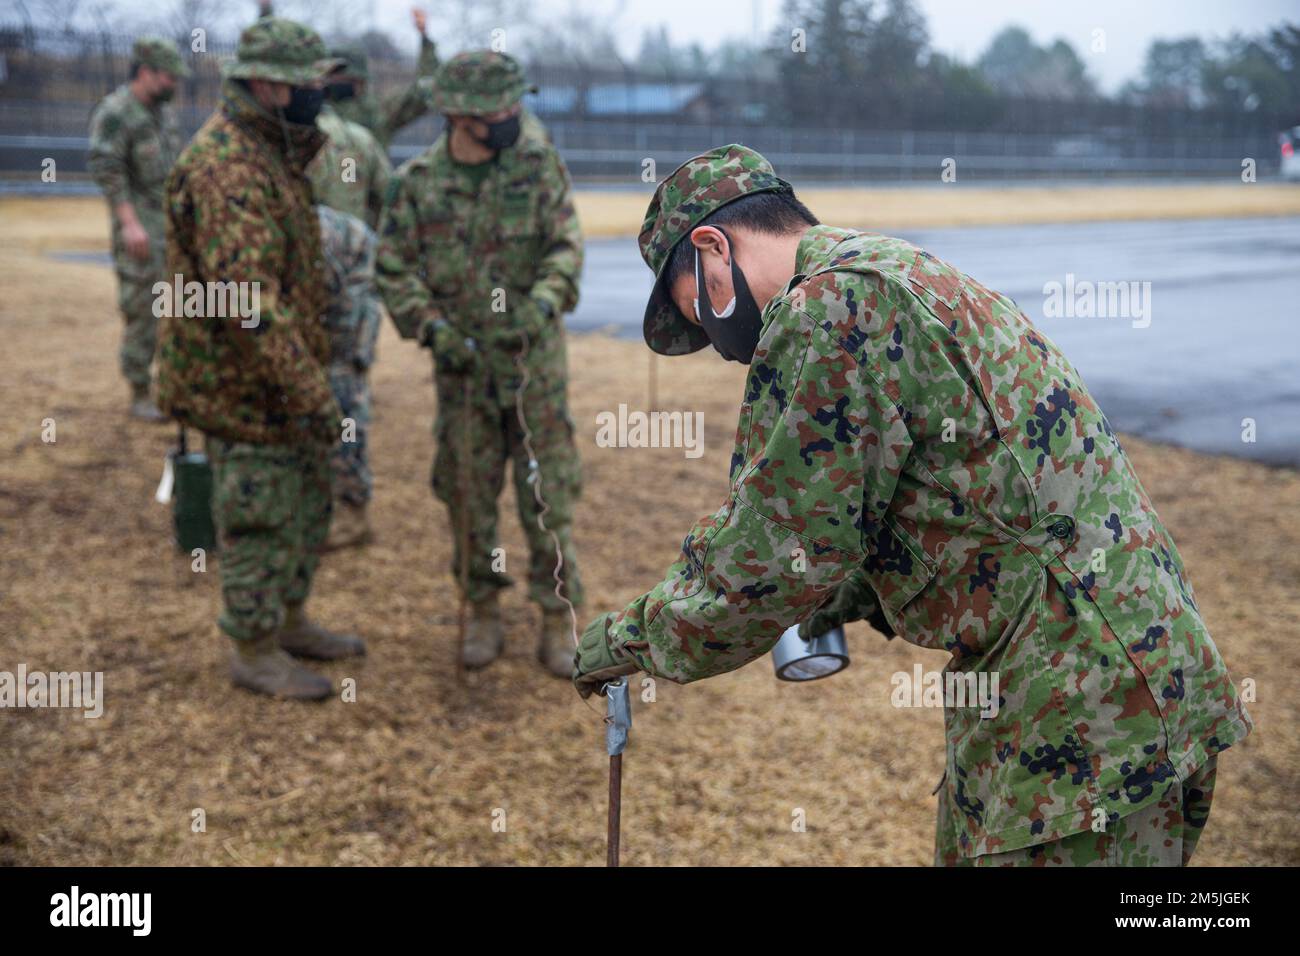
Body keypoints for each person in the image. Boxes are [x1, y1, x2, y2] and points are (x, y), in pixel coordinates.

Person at [572, 145, 1253, 866]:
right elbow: (951, 499)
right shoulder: (902, 272)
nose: (717, 340)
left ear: (712, 246)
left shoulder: (826, 310)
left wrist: (622, 641)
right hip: (1123, 674)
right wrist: (840, 597)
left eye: (698, 311)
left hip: (1079, 712)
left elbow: (766, 562)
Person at [156, 16, 364, 700]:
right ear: (272, 86)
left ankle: (289, 617)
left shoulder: (270, 149)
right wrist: (312, 389)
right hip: (240, 385)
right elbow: (249, 303)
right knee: (257, 513)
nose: (320, 95)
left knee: (306, 500)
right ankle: (252, 647)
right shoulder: (227, 167)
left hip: (281, 377)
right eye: (310, 83)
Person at [376, 51, 584, 678]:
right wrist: (431, 328)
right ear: (459, 117)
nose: (513, 116)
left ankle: (557, 616)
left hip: (533, 371)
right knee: (468, 500)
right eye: (500, 108)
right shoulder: (415, 185)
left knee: (547, 499)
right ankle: (483, 608)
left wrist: (544, 301)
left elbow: (565, 248)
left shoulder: (537, 166)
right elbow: (392, 268)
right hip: (463, 375)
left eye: (515, 103)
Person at [87, 37, 188, 421]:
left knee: (177, 306)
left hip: (169, 227)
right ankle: (140, 391)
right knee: (143, 309)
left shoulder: (164, 113)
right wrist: (129, 223)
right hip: (140, 229)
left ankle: (173, 384)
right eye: (169, 76)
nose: (174, 84)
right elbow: (107, 170)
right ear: (146, 72)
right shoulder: (116, 113)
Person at [316, 204, 383, 550]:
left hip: (347, 312)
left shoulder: (333, 235)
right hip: (328, 303)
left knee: (345, 406)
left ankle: (352, 513)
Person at [325, 7, 440, 150]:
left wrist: (425, 42)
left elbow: (424, 90)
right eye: (334, 77)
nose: (338, 82)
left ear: (361, 82)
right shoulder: (313, 110)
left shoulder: (379, 112)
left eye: (346, 78)